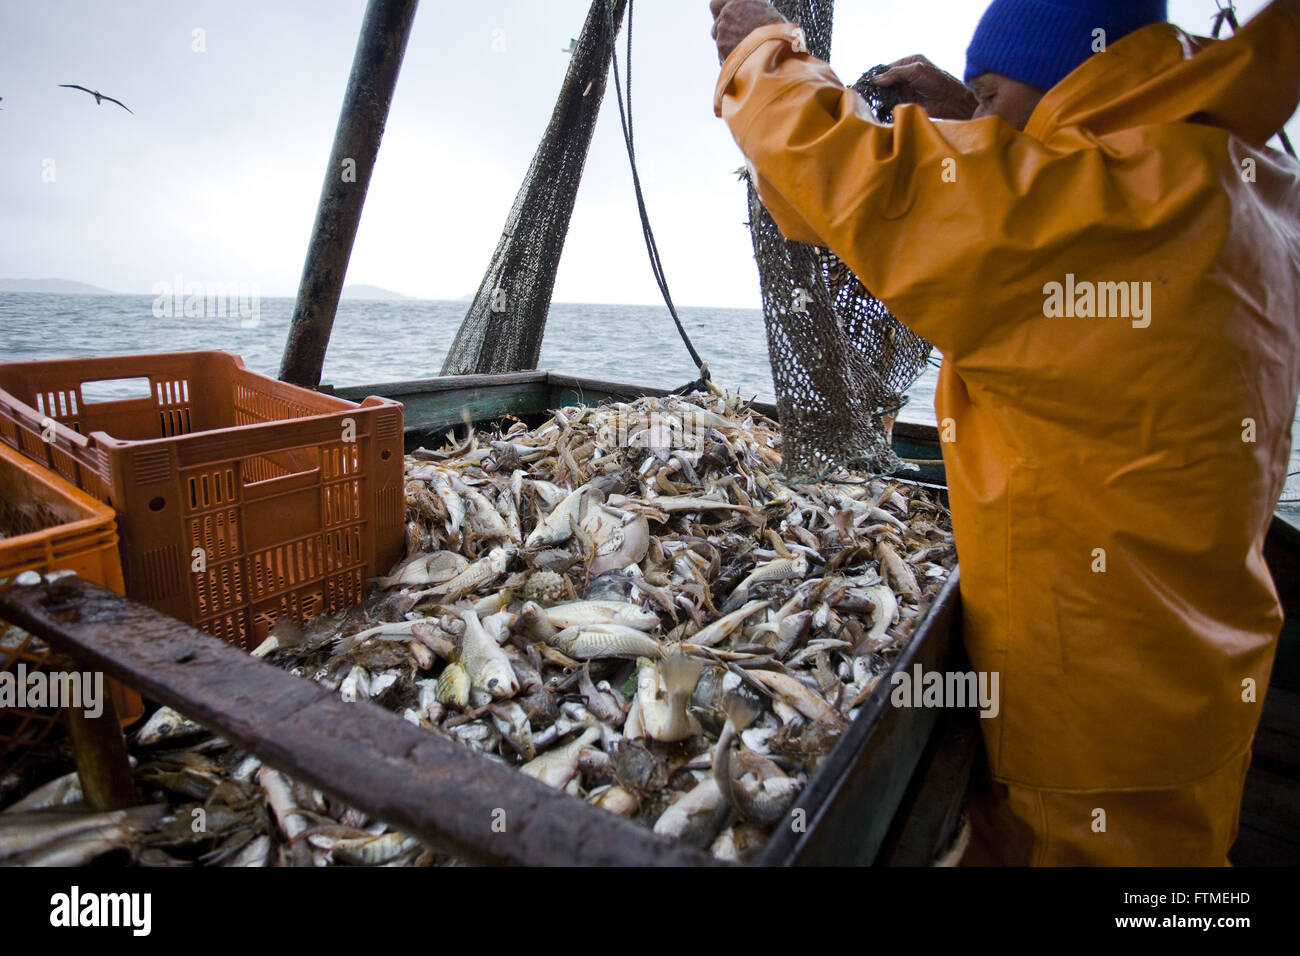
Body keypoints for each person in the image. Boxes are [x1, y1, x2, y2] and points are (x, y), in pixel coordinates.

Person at [709, 0, 1300, 865]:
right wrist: (977, 111)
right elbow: (1041, 178)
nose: (979, 123)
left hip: (1091, 720)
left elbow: (840, 169)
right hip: (1200, 671)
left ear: (1060, 76)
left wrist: (759, 48)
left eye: (988, 95)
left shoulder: (1085, 207)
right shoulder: (1230, 170)